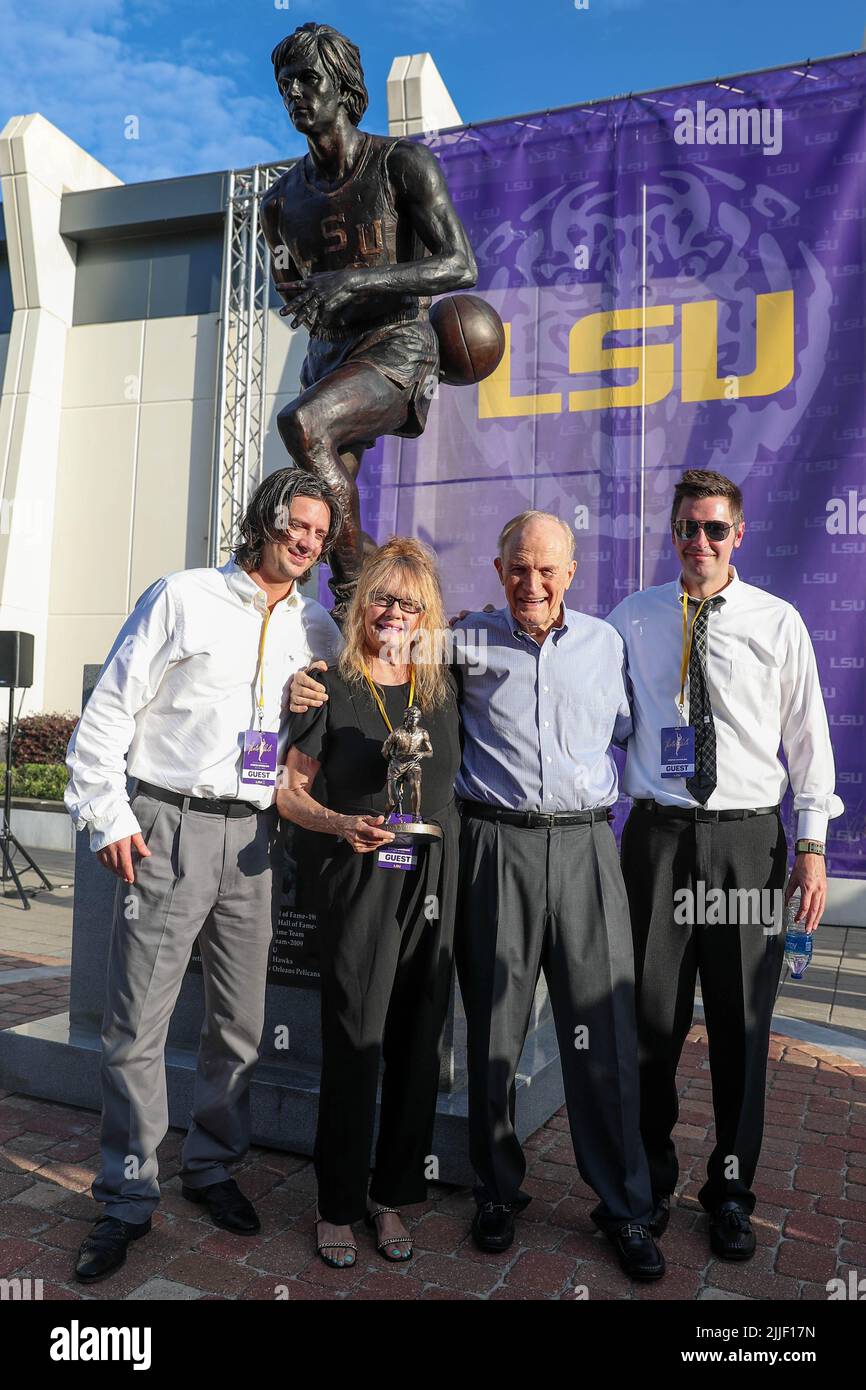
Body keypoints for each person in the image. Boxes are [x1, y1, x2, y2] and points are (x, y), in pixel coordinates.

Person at [291, 512, 665, 1281]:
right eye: (518, 568)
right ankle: (496, 1190)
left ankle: (624, 1205)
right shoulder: (460, 644)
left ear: (572, 571)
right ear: (498, 573)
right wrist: (305, 674)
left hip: (586, 844)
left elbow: (635, 728)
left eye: (548, 569)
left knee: (601, 1030)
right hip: (494, 846)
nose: (533, 583)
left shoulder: (606, 645)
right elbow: (379, 646)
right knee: (492, 1027)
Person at [64, 469, 343, 1283]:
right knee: (136, 1029)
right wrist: (107, 814)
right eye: (296, 524)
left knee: (239, 1025)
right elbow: (111, 708)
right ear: (263, 518)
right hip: (167, 826)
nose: (305, 542)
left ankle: (214, 1166)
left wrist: (303, 705)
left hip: (255, 840)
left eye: (318, 535)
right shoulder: (181, 596)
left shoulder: (316, 626)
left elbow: (321, 718)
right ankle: (126, 1195)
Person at [607, 468, 843, 1261]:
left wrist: (809, 848)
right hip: (660, 845)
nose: (698, 542)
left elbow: (810, 742)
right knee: (650, 1027)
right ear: (671, 533)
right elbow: (582, 705)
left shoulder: (779, 623)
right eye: (686, 528)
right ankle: (643, 1190)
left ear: (739, 534)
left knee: (742, 1028)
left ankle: (731, 1193)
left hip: (746, 847)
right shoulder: (632, 620)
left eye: (714, 529)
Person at [277, 537, 461, 1268]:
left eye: (410, 604)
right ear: (362, 605)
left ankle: (393, 1197)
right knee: (355, 1042)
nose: (395, 612)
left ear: (427, 616)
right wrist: (340, 822)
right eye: (384, 598)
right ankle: (337, 1205)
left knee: (418, 1045)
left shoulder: (443, 689)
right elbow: (288, 792)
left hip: (431, 882)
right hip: (358, 876)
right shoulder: (331, 684)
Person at [261, 21, 477, 616]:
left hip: (396, 344)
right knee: (321, 502)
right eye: (285, 85)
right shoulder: (278, 202)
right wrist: (309, 298)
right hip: (327, 355)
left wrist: (355, 282)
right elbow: (292, 291)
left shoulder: (401, 163)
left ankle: (355, 600)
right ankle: (384, 601)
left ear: (344, 86)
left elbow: (459, 265)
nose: (294, 94)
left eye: (308, 79)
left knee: (303, 424)